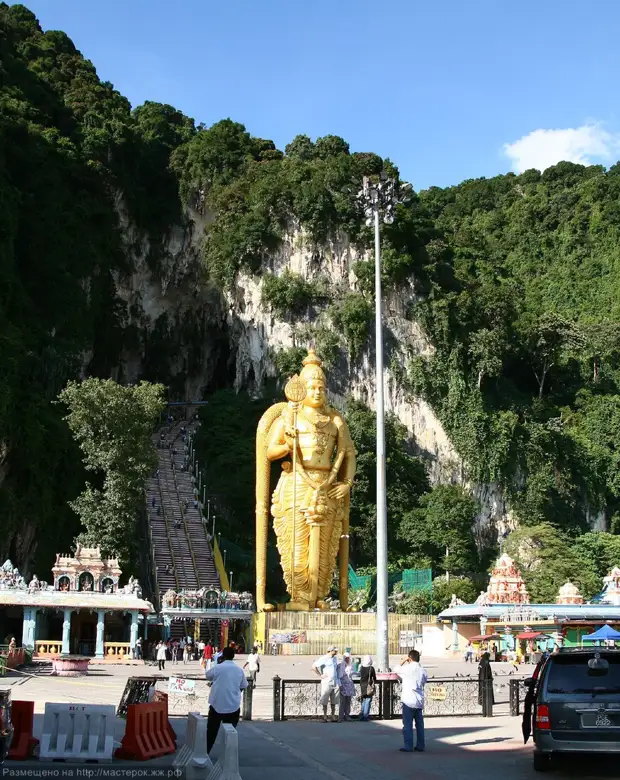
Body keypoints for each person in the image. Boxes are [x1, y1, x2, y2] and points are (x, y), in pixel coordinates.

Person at [205, 646, 248, 753]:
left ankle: (205, 754)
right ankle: (227, 757)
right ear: (233, 656)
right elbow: (243, 685)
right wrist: (234, 693)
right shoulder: (239, 670)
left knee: (211, 733)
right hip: (233, 707)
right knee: (229, 734)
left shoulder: (218, 668)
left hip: (216, 706)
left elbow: (208, 675)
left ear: (223, 655)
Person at [397, 649, 428, 753]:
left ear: (409, 658)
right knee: (419, 725)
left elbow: (396, 669)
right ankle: (420, 745)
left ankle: (408, 746)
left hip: (408, 700)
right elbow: (424, 681)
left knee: (407, 725)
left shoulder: (407, 669)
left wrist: (403, 661)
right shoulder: (423, 670)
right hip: (419, 701)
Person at [312, 646, 340, 723]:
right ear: (330, 651)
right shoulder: (324, 658)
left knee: (334, 699)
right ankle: (324, 716)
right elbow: (314, 666)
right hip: (327, 681)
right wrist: (320, 675)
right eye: (335, 650)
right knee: (325, 698)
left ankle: (333, 716)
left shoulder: (334, 658)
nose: (336, 652)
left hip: (334, 681)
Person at [337, 652, 355, 722]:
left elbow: (352, 673)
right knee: (342, 702)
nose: (347, 659)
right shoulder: (340, 666)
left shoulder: (351, 665)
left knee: (348, 702)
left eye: (348, 658)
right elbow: (339, 676)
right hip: (343, 685)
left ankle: (347, 716)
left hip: (349, 685)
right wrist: (340, 685)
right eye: (346, 658)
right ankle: (340, 717)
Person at [359, 655, 376, 722]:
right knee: (368, 701)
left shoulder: (361, 667)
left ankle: (361, 715)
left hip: (362, 686)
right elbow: (374, 677)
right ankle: (365, 716)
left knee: (364, 701)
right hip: (368, 686)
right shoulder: (371, 668)